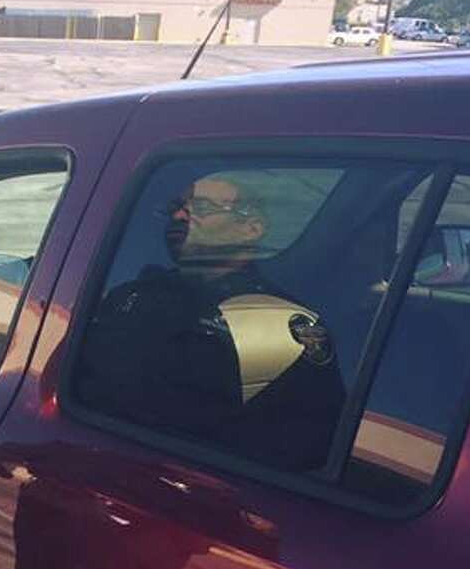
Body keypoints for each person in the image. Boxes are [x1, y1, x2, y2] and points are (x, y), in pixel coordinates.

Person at [76, 172, 345, 472]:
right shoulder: (132, 293)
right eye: (176, 207)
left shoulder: (277, 322)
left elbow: (293, 449)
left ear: (251, 228)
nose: (179, 215)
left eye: (200, 208)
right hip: (82, 457)